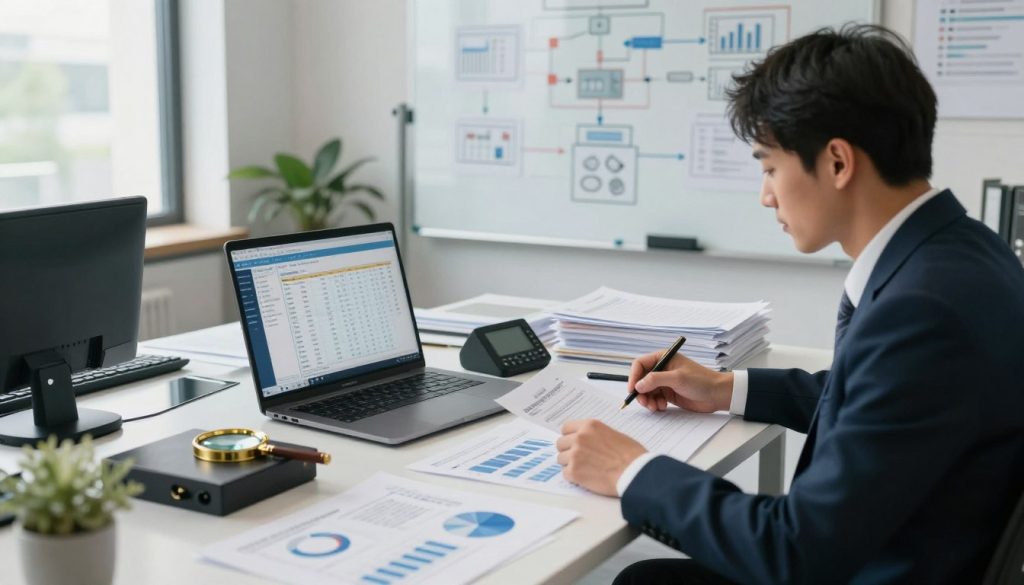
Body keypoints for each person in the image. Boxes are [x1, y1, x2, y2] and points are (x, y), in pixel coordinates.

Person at [555, 24, 1024, 584]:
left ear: (837, 163)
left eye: (770, 166)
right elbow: (880, 400)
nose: (765, 194)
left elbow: (794, 551)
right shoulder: (965, 251)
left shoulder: (924, 311)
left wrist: (629, 469)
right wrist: (727, 389)